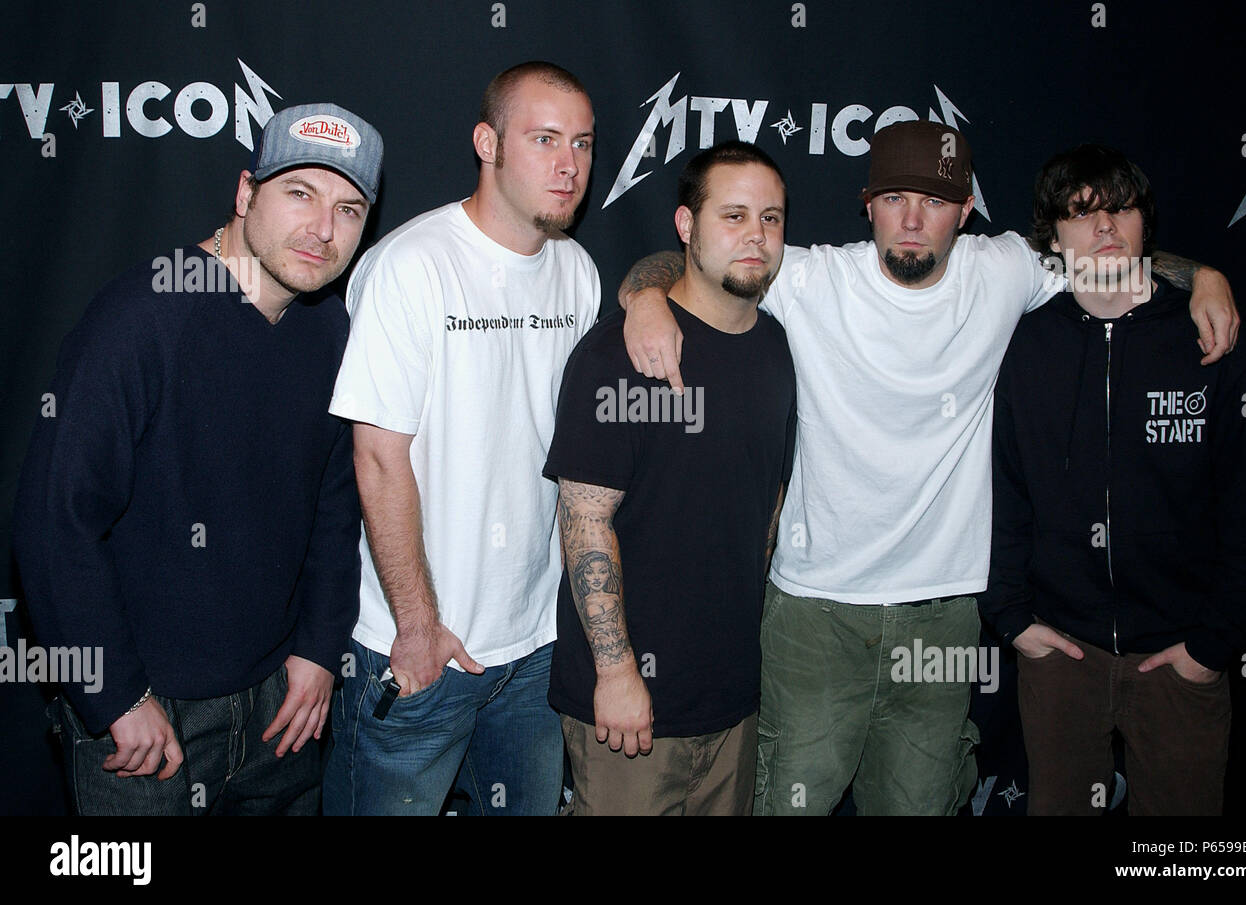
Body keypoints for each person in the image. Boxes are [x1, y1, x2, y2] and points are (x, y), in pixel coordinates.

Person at [619, 120, 1240, 816]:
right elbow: (691, 262)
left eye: (936, 202)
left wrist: (1204, 277)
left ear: (966, 211)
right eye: (895, 198)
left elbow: (1110, 254)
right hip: (816, 613)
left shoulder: (1004, 269)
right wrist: (643, 298)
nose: (913, 220)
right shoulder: (812, 276)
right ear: (868, 203)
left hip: (945, 615)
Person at [13, 102, 383, 815]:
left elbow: (337, 507)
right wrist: (114, 695)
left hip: (280, 708)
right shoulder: (142, 317)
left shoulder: (330, 328)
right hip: (150, 722)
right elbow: (54, 521)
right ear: (246, 194)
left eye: (349, 207)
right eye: (299, 194)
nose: (323, 229)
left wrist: (316, 647)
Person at [323, 61, 600, 816]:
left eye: (581, 142)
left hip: (535, 654)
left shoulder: (578, 272)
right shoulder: (410, 266)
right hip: (421, 655)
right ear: (488, 143)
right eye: (544, 139)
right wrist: (417, 630)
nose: (569, 163)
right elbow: (377, 455)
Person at [980, 144, 1246, 815]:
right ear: (1053, 239)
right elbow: (1005, 488)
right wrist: (1012, 615)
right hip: (1062, 654)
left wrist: (1214, 643)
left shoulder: (1216, 339)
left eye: (1121, 207)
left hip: (1182, 653)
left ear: (1145, 222)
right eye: (1082, 214)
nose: (1106, 227)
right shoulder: (1024, 346)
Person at [546, 141, 797, 815]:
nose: (756, 235)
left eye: (771, 218)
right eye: (734, 215)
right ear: (686, 226)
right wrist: (617, 670)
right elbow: (585, 518)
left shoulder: (777, 349)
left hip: (734, 698)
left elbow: (765, 505)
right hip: (631, 707)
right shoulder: (616, 355)